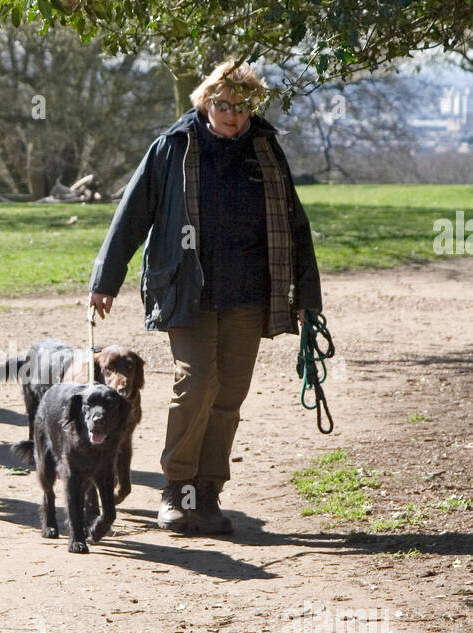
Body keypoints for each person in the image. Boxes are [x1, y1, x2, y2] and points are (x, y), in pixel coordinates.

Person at [88, 59, 323, 534]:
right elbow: (132, 214)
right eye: (223, 105)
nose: (232, 115)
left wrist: (307, 297)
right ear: (204, 102)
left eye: (242, 106)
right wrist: (104, 280)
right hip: (186, 290)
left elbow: (296, 228)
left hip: (249, 291)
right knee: (195, 385)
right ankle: (177, 489)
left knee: (229, 394)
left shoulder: (266, 150)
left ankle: (208, 493)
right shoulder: (172, 148)